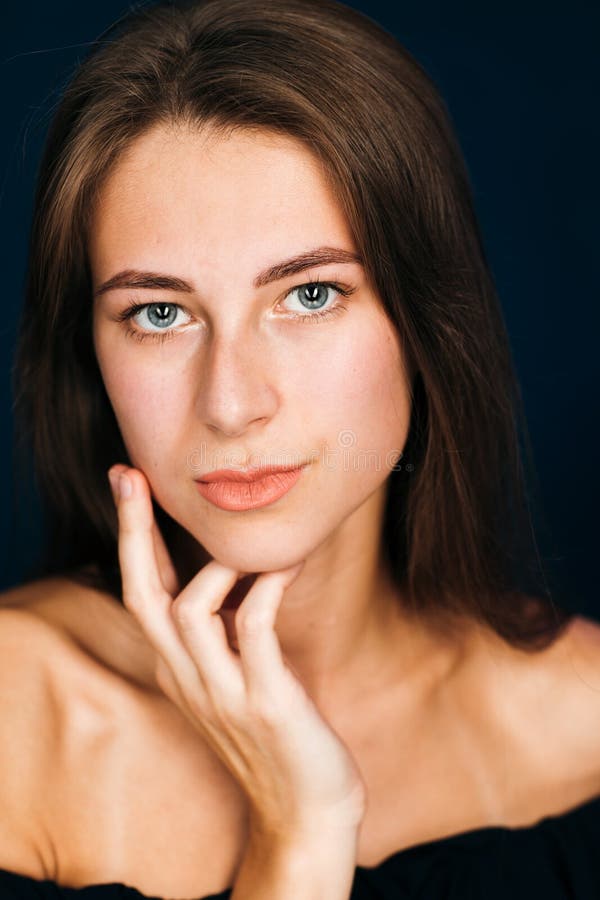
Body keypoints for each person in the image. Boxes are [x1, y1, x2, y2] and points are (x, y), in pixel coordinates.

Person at [1, 0, 599, 897]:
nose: (232, 404)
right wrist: (299, 838)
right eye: (159, 314)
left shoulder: (582, 719)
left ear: (425, 323)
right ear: (91, 349)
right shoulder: (18, 713)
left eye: (310, 296)